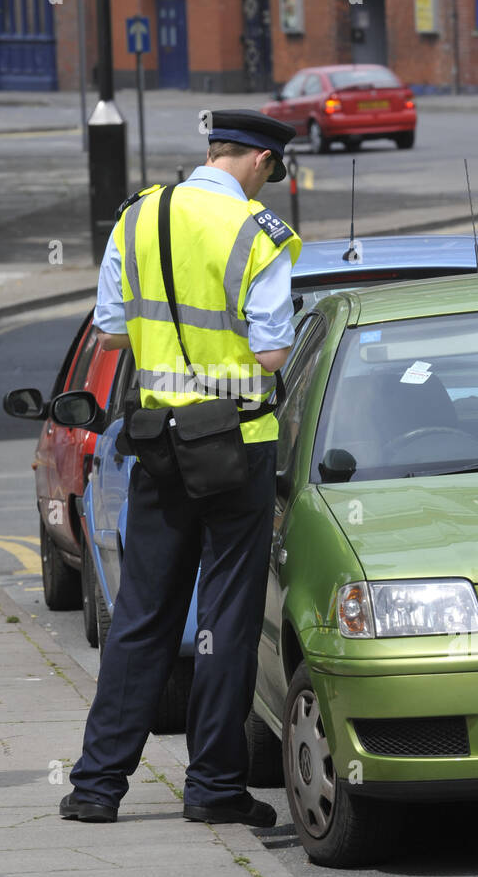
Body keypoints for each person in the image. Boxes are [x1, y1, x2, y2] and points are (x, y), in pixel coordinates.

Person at [60, 109, 300, 829]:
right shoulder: (260, 234)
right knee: (224, 620)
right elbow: (272, 353)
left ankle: (96, 787)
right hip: (237, 444)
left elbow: (108, 328)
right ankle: (213, 788)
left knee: (141, 615)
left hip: (156, 442)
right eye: (271, 173)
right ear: (259, 160)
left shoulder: (135, 218)